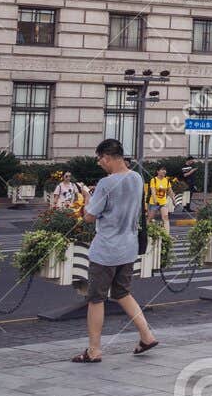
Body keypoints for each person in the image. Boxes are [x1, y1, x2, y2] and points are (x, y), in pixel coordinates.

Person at [72, 139, 157, 363]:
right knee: (122, 293)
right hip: (128, 247)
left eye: (100, 159)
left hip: (106, 249)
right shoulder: (137, 178)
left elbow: (89, 216)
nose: (100, 164)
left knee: (96, 299)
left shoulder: (106, 184)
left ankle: (94, 350)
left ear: (107, 157)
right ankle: (147, 336)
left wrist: (87, 197)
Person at [147, 166, 173, 231]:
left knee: (165, 218)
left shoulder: (166, 180)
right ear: (158, 171)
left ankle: (167, 235)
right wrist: (155, 201)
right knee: (150, 218)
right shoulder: (154, 180)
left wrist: (174, 200)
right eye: (162, 170)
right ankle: (146, 232)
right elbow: (153, 191)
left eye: (165, 170)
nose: (164, 171)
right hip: (154, 203)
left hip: (163, 203)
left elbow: (170, 191)